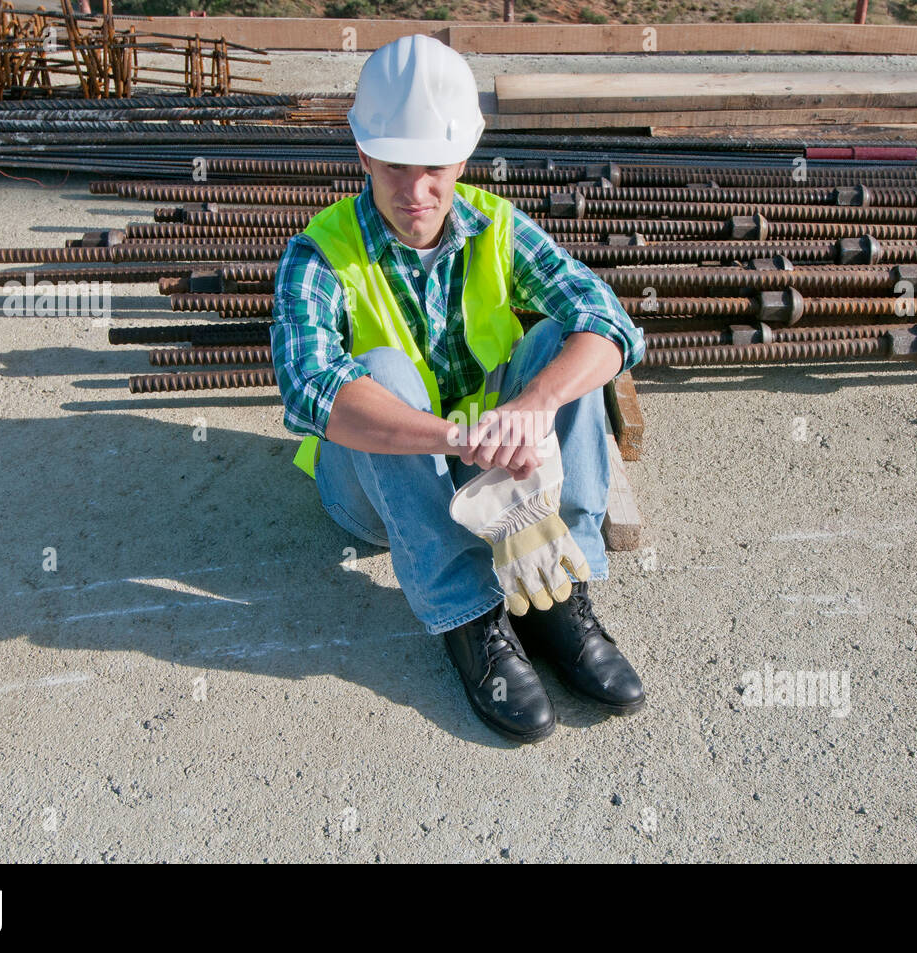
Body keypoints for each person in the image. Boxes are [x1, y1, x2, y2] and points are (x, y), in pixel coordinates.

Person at [270, 34, 647, 744]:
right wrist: (453, 436)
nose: (417, 193)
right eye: (395, 166)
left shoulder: (496, 225)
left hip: (492, 466)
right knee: (376, 372)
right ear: (362, 154)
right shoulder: (318, 253)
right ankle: (470, 614)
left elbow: (609, 321)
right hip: (376, 495)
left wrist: (533, 406)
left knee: (552, 348)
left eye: (435, 168)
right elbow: (309, 389)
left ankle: (555, 593)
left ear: (464, 158)